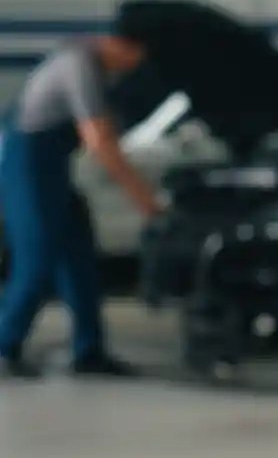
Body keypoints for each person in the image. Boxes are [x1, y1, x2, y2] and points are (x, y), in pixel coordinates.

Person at [0, 21, 163, 378]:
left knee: (79, 259)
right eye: (137, 57)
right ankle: (4, 345)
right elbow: (99, 139)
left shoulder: (94, 67)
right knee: (36, 258)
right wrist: (143, 199)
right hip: (25, 164)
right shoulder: (80, 64)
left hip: (51, 168)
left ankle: (88, 352)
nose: (134, 65)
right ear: (122, 45)